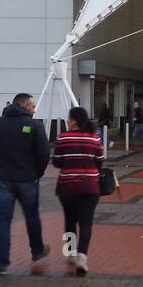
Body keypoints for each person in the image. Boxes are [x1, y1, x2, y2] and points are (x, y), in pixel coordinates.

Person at [0, 93, 51, 275]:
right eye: (33, 106)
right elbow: (43, 153)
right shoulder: (34, 126)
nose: (35, 110)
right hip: (27, 179)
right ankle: (36, 250)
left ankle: (1, 263)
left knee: (3, 220)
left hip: (3, 179)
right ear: (25, 105)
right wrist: (38, 173)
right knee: (32, 216)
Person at [52, 106, 104, 276]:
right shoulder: (95, 138)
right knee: (86, 222)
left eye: (69, 118)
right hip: (90, 187)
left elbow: (57, 162)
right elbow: (99, 161)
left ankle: (71, 253)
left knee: (70, 220)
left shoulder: (63, 138)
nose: (67, 120)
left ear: (74, 120)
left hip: (67, 187)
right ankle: (82, 256)